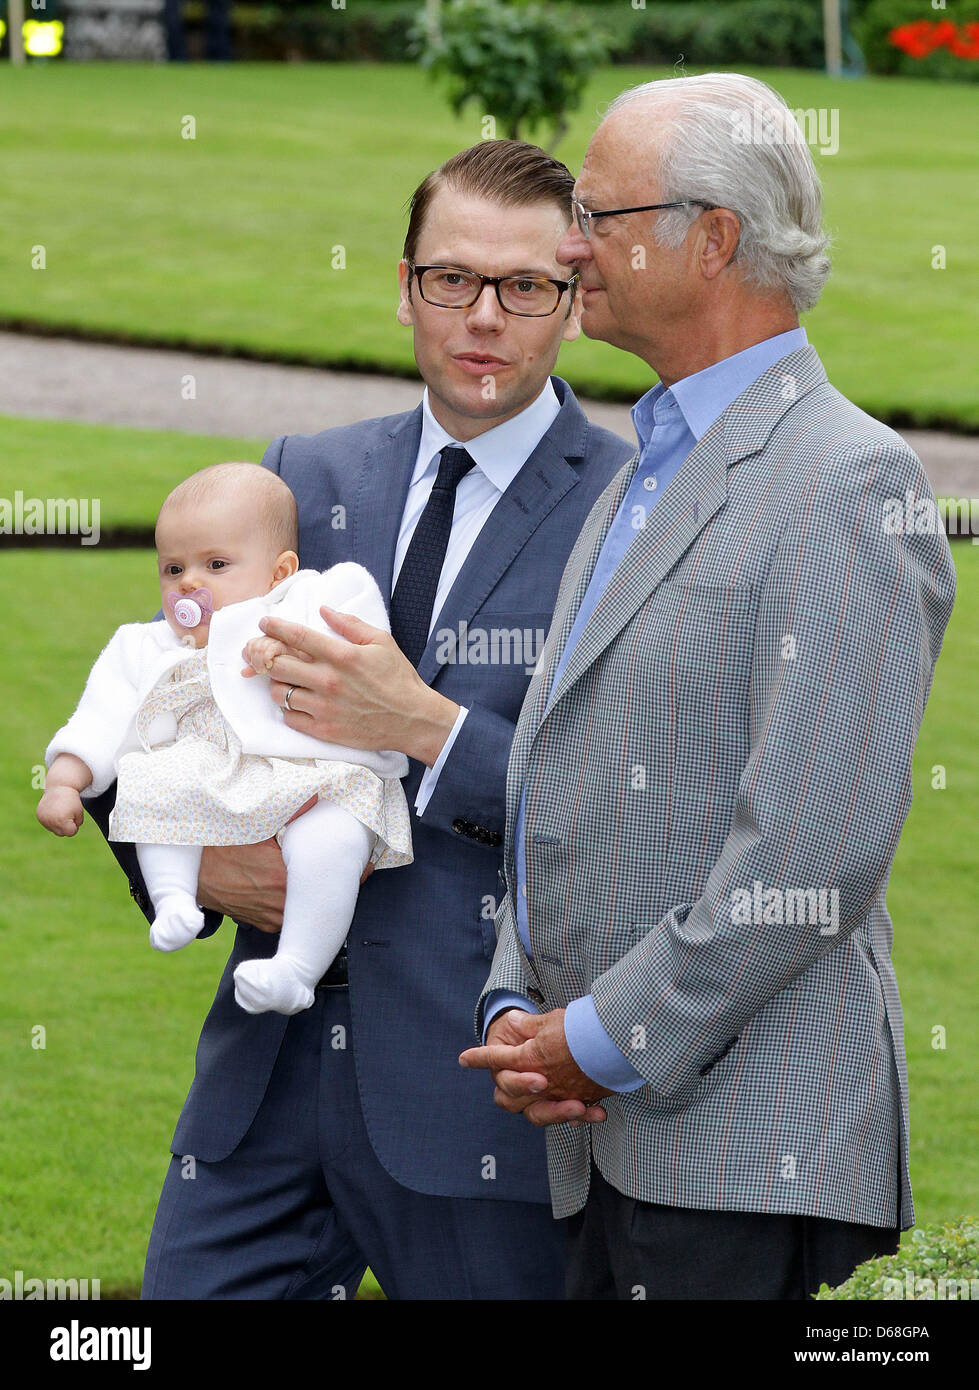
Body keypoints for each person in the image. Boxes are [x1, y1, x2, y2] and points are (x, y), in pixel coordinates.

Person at [83, 140, 636, 1299]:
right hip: (260, 1090)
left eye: (523, 287)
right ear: (402, 288)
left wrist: (429, 728)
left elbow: (629, 803)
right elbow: (162, 704)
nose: (482, 317)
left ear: (575, 303)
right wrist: (181, 858)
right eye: (451, 280)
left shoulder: (632, 510)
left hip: (479, 1099)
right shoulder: (301, 475)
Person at [460, 74, 957, 1300]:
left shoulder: (844, 480)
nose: (568, 245)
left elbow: (811, 851)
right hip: (613, 1150)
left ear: (714, 237)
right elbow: (560, 762)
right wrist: (522, 998)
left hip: (745, 1162)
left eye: (596, 211)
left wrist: (592, 1040)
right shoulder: (653, 460)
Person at [39, 465, 411, 1017]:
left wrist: (286, 653)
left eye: (214, 564)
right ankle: (173, 902)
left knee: (333, 839)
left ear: (278, 571)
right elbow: (101, 716)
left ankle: (297, 968)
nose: (189, 582)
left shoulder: (304, 604)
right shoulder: (149, 644)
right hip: (207, 773)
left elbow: (358, 654)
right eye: (173, 568)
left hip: (312, 776)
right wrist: (65, 780)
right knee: (155, 783)